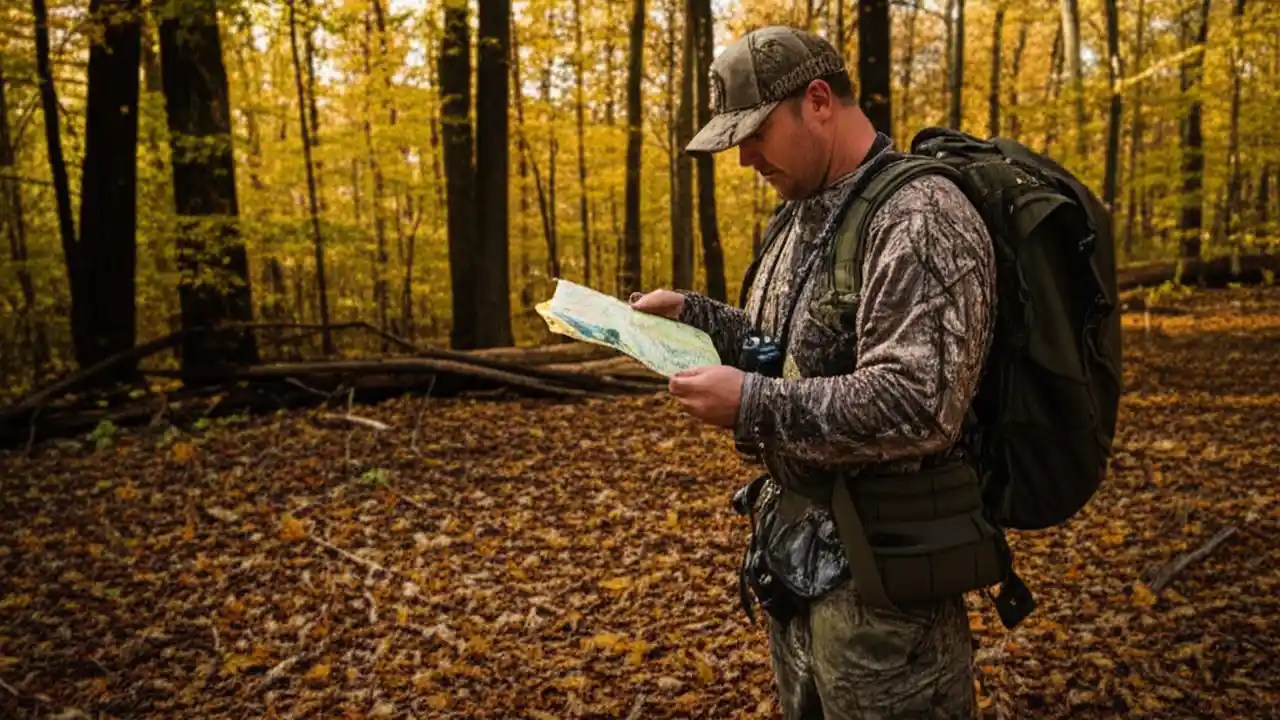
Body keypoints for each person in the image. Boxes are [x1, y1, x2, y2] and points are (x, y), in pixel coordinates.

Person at [631, 26, 996, 719]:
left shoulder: (920, 218)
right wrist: (698, 316)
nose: (744, 160)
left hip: (888, 599)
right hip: (797, 571)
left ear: (819, 101)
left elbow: (918, 404)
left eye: (756, 134)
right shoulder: (801, 212)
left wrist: (753, 405)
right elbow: (786, 347)